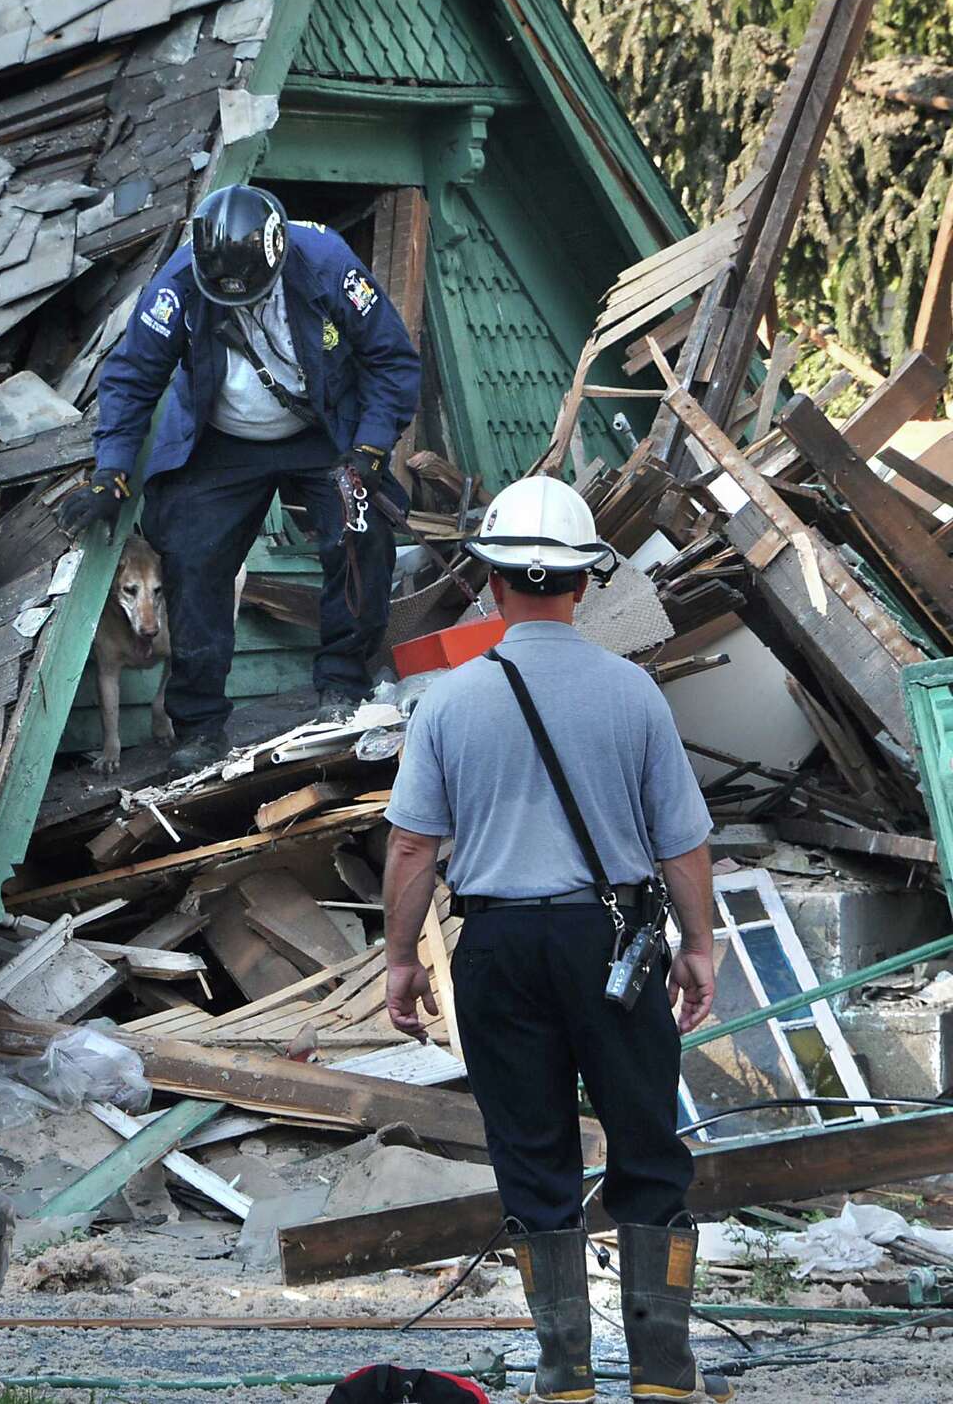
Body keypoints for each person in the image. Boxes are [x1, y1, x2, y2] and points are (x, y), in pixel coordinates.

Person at [382, 477, 731, 1404]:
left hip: (497, 949)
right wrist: (698, 948)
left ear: (492, 580)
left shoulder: (449, 704)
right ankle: (662, 1374)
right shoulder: (634, 695)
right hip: (611, 943)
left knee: (533, 1152)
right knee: (648, 1145)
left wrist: (400, 959)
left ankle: (563, 1374)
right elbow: (682, 843)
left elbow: (415, 845)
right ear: (582, 584)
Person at [58, 183, 421, 774]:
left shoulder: (326, 263)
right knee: (192, 560)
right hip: (220, 438)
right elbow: (131, 377)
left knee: (360, 536)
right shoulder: (180, 281)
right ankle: (197, 724)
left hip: (323, 430)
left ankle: (342, 686)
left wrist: (372, 448)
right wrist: (111, 472)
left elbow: (391, 358)